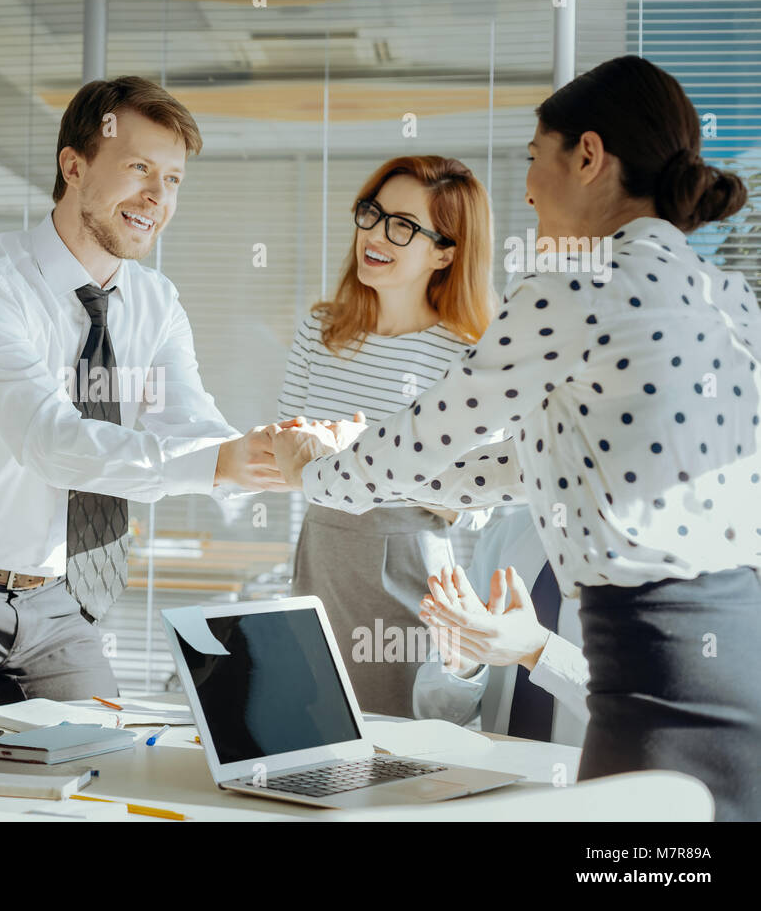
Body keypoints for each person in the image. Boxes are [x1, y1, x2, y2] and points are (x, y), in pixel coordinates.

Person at [272, 55, 758, 819]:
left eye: (535, 158)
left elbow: (427, 438)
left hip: (649, 670)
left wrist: (316, 474)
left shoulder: (575, 289)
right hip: (740, 654)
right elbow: (507, 468)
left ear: (588, 156)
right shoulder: (730, 299)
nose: (527, 188)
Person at [0, 76, 288, 711]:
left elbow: (189, 424)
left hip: (55, 600)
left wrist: (277, 452)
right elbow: (49, 441)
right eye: (139, 167)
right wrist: (220, 462)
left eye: (172, 179)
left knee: (98, 771)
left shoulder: (154, 300)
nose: (156, 196)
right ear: (74, 165)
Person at [277, 155, 498, 717]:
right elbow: (287, 453)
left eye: (403, 226)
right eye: (372, 214)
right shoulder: (318, 331)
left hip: (408, 555)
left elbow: (474, 507)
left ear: (445, 251)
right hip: (320, 544)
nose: (376, 235)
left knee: (398, 733)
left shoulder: (468, 355)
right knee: (314, 720)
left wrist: (358, 463)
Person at [413, 504, 589, 747]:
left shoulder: (650, 556)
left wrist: (538, 652)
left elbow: (648, 712)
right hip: (495, 775)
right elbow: (433, 715)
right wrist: (464, 663)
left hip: (599, 781)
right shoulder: (508, 534)